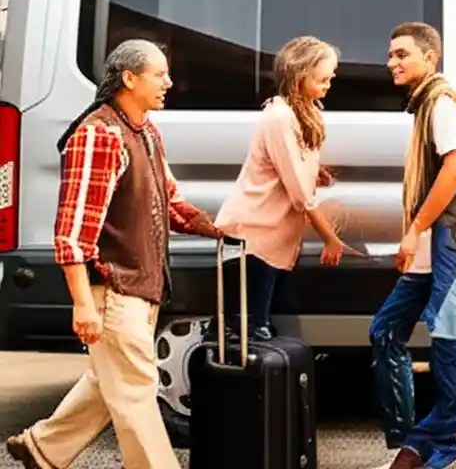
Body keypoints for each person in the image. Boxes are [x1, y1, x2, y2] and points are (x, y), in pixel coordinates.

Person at [5, 40, 225, 469]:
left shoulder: (145, 131)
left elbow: (170, 201)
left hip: (142, 290)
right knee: (138, 391)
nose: (169, 82)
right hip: (113, 290)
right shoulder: (98, 135)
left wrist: (217, 226)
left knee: (111, 382)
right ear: (129, 78)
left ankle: (42, 449)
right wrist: (83, 304)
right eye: (160, 74)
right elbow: (71, 233)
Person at [370, 22, 456, 469]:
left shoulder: (440, 104)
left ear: (429, 57)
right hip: (431, 249)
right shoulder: (424, 106)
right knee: (385, 331)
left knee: (452, 345)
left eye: (402, 54)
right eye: (390, 55)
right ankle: (412, 441)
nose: (391, 63)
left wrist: (415, 227)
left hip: (453, 244)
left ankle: (428, 446)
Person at [213, 36, 358, 343]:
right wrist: (331, 240)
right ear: (300, 74)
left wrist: (315, 171)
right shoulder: (280, 118)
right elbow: (300, 195)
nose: (329, 84)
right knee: (251, 331)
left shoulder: (302, 112)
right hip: (254, 235)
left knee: (259, 327)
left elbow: (287, 166)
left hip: (270, 235)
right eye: (322, 78)